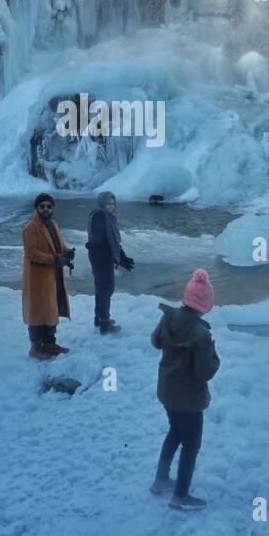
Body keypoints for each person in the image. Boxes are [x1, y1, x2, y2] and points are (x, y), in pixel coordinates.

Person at [150, 269, 219, 512]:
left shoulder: (168, 318)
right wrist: (213, 354)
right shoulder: (201, 334)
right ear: (204, 305)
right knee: (191, 444)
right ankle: (180, 495)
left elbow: (156, 341)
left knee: (174, 433)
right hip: (189, 400)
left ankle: (160, 479)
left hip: (167, 392)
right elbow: (205, 373)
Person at [22, 192, 76, 359]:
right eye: (42, 206)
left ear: (52, 209)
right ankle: (36, 347)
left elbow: (58, 244)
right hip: (38, 279)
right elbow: (31, 253)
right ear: (37, 208)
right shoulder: (30, 228)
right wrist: (54, 259)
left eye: (49, 206)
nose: (46, 209)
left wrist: (66, 252)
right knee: (37, 313)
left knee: (51, 310)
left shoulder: (52, 224)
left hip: (52, 276)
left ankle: (50, 344)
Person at [86, 190, 134, 334]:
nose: (111, 206)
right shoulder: (100, 216)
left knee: (102, 288)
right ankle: (104, 320)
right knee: (106, 288)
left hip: (101, 255)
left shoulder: (107, 216)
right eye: (108, 203)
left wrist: (120, 255)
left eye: (113, 203)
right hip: (100, 256)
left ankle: (99, 317)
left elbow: (111, 241)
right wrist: (116, 257)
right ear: (102, 203)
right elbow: (101, 241)